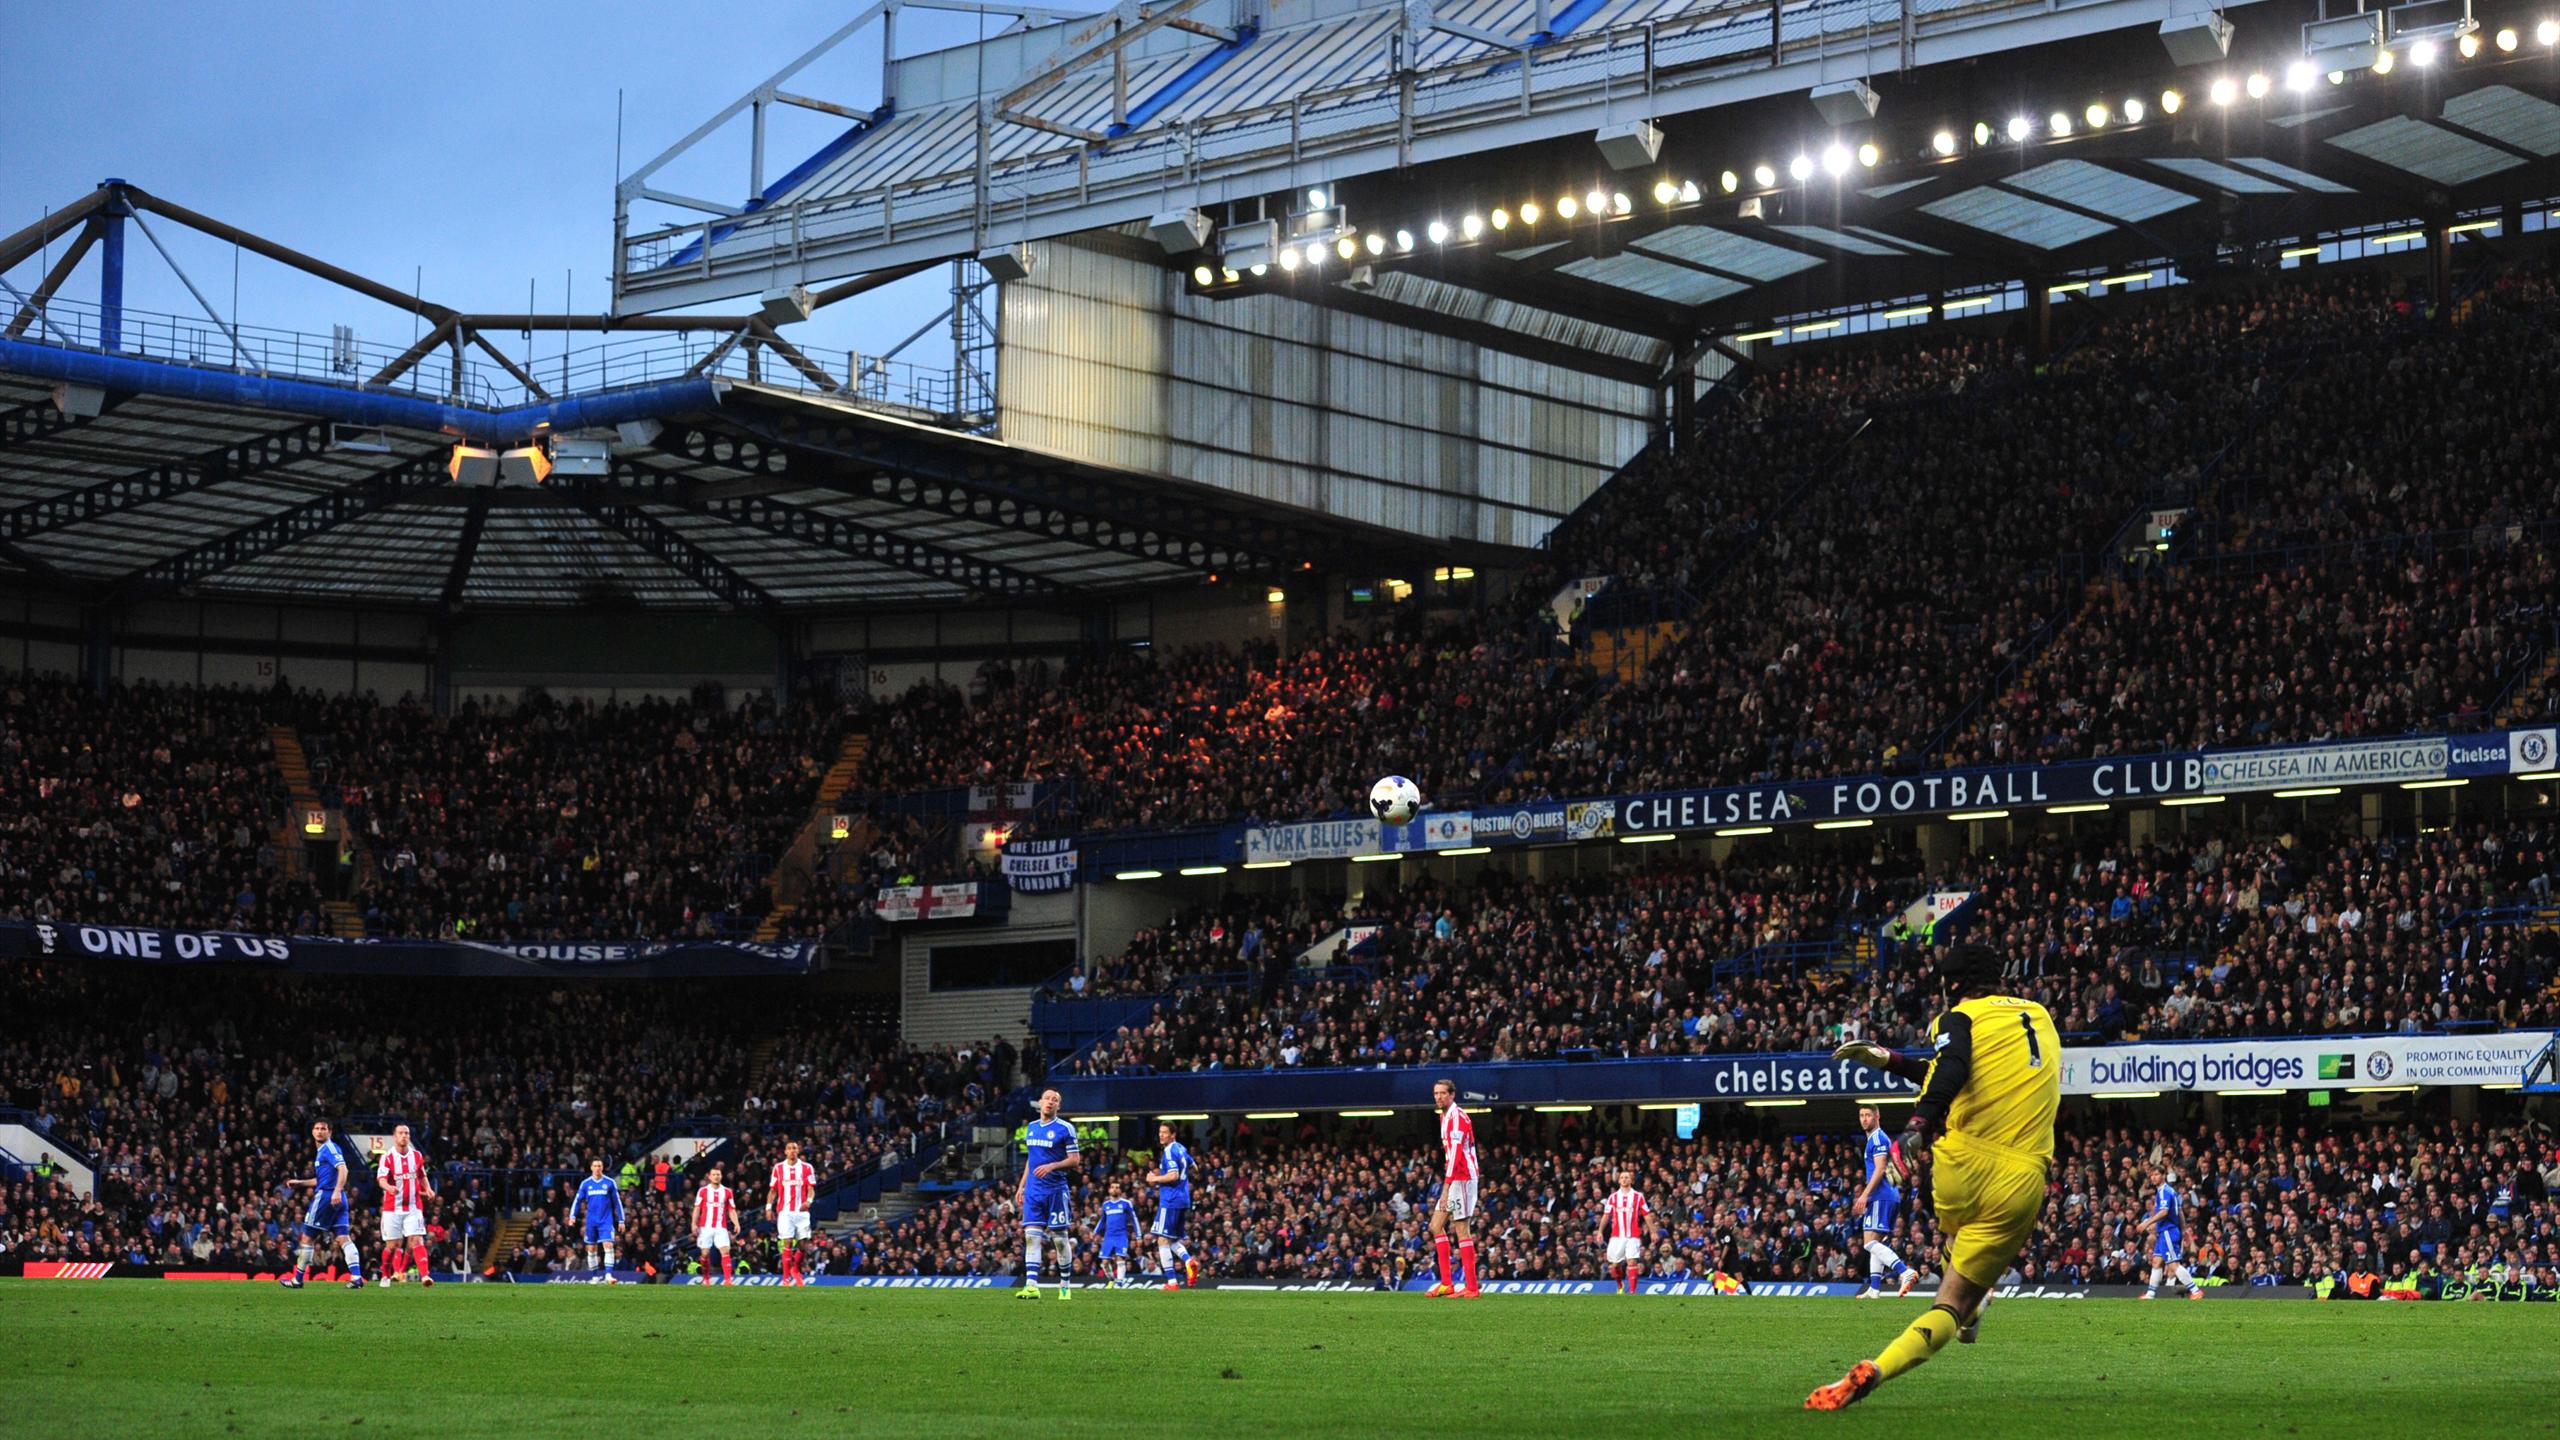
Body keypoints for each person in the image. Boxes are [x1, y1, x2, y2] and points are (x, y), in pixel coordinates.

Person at [1807, 942, 2059, 1411]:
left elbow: (1953, 1066)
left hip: (1962, 1166)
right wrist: (1890, 1060)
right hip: (2024, 1182)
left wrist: (1917, 1129)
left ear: (1952, 984)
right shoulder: (2039, 1016)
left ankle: (1969, 1306)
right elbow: (1955, 1069)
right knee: (1952, 1301)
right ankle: (1882, 1366)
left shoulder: (1958, 1019)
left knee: (1955, 1255)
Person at [280, 1119, 365, 1290]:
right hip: (337, 1198)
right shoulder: (322, 1152)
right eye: (317, 1128)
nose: (320, 1131)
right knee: (343, 1238)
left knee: (307, 1237)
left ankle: (297, 1279)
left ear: (329, 1132)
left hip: (327, 1197)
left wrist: (335, 1190)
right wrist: (301, 1183)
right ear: (312, 1132)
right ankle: (356, 1277)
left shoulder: (329, 1148)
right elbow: (321, 1179)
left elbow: (344, 1169)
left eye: (323, 1129)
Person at [1017, 1089, 1080, 1300]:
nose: (1050, 1102)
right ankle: (1032, 1285)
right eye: (1047, 1099)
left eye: (1055, 1100)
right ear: (1041, 1102)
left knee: (1060, 1240)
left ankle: (1064, 1285)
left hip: (1055, 1191)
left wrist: (1053, 1166)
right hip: (1034, 1191)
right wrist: (1021, 1186)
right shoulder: (1032, 1128)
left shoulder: (1065, 1128)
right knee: (1031, 1237)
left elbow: (1075, 1159)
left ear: (1058, 1106)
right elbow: (1032, 1160)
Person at [1851, 1104, 1917, 1299]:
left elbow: (1880, 1169)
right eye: (1861, 1115)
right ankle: (1874, 1288)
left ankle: (1905, 1271)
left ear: (1877, 1116)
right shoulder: (1873, 1138)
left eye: (1868, 1115)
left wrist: (1864, 1194)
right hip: (1884, 1196)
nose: (1864, 1119)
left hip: (1882, 1195)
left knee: (1869, 1243)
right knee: (1875, 1243)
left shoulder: (1879, 1138)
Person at [1426, 1078, 1481, 1299]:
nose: (1438, 1097)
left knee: (1461, 1229)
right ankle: (1447, 1284)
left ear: (1452, 1095)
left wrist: (1446, 1187)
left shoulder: (1457, 1118)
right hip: (1454, 1177)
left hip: (1464, 1178)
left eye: (1442, 1093)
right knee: (1436, 1226)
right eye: (1436, 1093)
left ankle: (1472, 1287)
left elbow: (1458, 1155)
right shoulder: (1444, 1116)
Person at [374, 1124, 435, 1286]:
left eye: (407, 1133)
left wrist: (428, 1189)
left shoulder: (416, 1155)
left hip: (414, 1207)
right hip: (392, 1208)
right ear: (394, 1137)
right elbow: (381, 1179)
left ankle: (425, 1276)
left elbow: (422, 1175)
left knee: (416, 1240)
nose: (404, 1136)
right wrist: (389, 1187)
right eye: (401, 1133)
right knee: (392, 1246)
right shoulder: (387, 1157)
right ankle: (385, 1275)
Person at [1145, 1121, 1197, 1291]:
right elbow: (1194, 1167)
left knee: (1161, 1239)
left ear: (1173, 1135)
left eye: (1165, 1132)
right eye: (1160, 1132)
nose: (1161, 1135)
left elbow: (1173, 1175)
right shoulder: (1181, 1148)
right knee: (1172, 1239)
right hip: (1183, 1199)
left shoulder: (1169, 1152)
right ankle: (1189, 1262)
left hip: (1170, 1201)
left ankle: (1172, 1282)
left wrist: (1155, 1179)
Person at [2140, 1165, 2206, 1300]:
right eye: (2151, 1175)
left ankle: (2195, 1290)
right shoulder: (2168, 1191)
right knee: (2156, 1261)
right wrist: (2184, 1229)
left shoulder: (2164, 1191)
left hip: (2167, 1232)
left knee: (2173, 1264)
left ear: (2163, 1175)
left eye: (2156, 1174)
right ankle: (2151, 1293)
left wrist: (2147, 1222)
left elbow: (2164, 1212)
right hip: (2166, 1232)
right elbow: (2180, 1211)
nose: (2153, 1177)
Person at [769, 1140, 817, 1287]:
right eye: (789, 1148)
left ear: (798, 1151)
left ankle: (795, 1269)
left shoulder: (807, 1167)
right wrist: (768, 1207)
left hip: (802, 1212)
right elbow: (773, 1190)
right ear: (785, 1151)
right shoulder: (778, 1168)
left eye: (794, 1148)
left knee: (803, 1245)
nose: (792, 1151)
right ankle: (785, 1278)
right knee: (788, 1242)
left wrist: (808, 1201)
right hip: (785, 1212)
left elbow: (811, 1189)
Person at [1599, 1165, 1649, 1295]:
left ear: (1631, 1180)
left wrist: (1653, 1231)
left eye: (1627, 1177)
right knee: (1614, 1266)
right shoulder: (1613, 1197)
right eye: (1622, 1177)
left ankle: (1632, 1291)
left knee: (1632, 1261)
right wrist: (1599, 1231)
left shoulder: (1638, 1196)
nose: (1624, 1179)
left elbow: (1647, 1214)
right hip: (1616, 1236)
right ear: (1619, 1180)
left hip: (1633, 1235)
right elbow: (1606, 1215)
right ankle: (1620, 1285)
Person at [573, 1159, 625, 1282]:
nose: (597, 1168)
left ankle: (608, 1275)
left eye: (600, 1166)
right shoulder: (585, 1184)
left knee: (608, 1245)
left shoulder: (610, 1182)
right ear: (591, 1167)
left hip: (606, 1221)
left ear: (603, 1167)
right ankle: (595, 1277)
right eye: (595, 1166)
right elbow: (577, 1201)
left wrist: (622, 1220)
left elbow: (617, 1202)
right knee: (591, 1249)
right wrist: (572, 1216)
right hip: (591, 1221)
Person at [691, 1166, 737, 1285]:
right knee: (705, 1253)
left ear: (721, 1176)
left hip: (721, 1227)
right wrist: (693, 1224)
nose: (716, 1176)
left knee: (725, 1251)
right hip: (705, 1227)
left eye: (718, 1174)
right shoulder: (703, 1191)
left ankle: (728, 1280)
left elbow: (731, 1210)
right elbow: (697, 1208)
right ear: (709, 1176)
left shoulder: (727, 1191)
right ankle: (706, 1279)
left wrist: (736, 1223)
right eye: (714, 1174)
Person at [1097, 1183, 1139, 1288]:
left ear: (1120, 1190)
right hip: (1108, 1236)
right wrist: (1095, 1232)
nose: (1115, 1189)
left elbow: (1134, 1219)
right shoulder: (1106, 1205)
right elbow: (1102, 1220)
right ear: (1109, 1190)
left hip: (1121, 1235)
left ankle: (1120, 1283)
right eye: (1112, 1187)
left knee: (1120, 1258)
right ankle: (1111, 1280)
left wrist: (1139, 1236)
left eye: (1117, 1187)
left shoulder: (1126, 1203)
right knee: (1105, 1262)